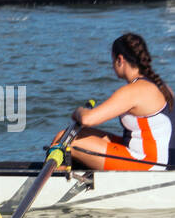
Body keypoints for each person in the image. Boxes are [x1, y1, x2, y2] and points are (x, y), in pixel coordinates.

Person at [61, 34, 173, 171]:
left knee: (67, 141)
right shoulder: (161, 85)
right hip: (159, 159)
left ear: (120, 60)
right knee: (71, 134)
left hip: (149, 164)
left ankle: (55, 184)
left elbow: (87, 118)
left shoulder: (135, 90)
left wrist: (78, 111)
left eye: (112, 59)